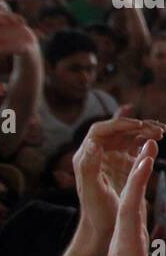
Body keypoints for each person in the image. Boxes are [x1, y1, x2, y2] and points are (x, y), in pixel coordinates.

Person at [36, 28, 119, 162]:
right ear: (48, 68)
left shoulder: (106, 105)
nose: (85, 78)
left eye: (90, 69)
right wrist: (19, 144)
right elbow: (4, 136)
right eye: (74, 69)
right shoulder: (22, 105)